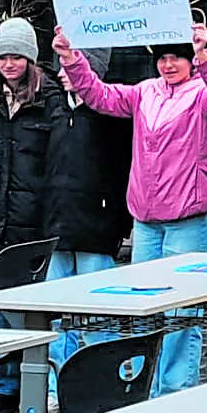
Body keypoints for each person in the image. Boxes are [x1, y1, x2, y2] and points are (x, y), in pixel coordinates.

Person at [55, 22, 207, 396]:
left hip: (186, 215)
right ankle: (147, 388)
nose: (168, 65)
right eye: (163, 58)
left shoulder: (202, 94)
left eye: (176, 58)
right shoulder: (144, 92)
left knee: (183, 309)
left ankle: (175, 388)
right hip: (146, 219)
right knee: (145, 307)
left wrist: (204, 54)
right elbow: (97, 95)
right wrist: (71, 59)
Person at [0, 17, 67, 404]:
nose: (9, 64)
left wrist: (47, 207)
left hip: (31, 216)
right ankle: (3, 385)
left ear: (30, 59)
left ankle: (28, 382)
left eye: (17, 57)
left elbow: (58, 161)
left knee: (26, 305)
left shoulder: (50, 101)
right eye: (3, 57)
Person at [45, 45, 135, 390]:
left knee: (98, 309)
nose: (64, 74)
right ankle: (57, 384)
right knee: (55, 311)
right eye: (63, 67)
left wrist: (119, 221)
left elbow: (124, 168)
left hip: (97, 226)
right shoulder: (54, 110)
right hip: (56, 225)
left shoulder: (112, 116)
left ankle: (100, 379)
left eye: (73, 66)